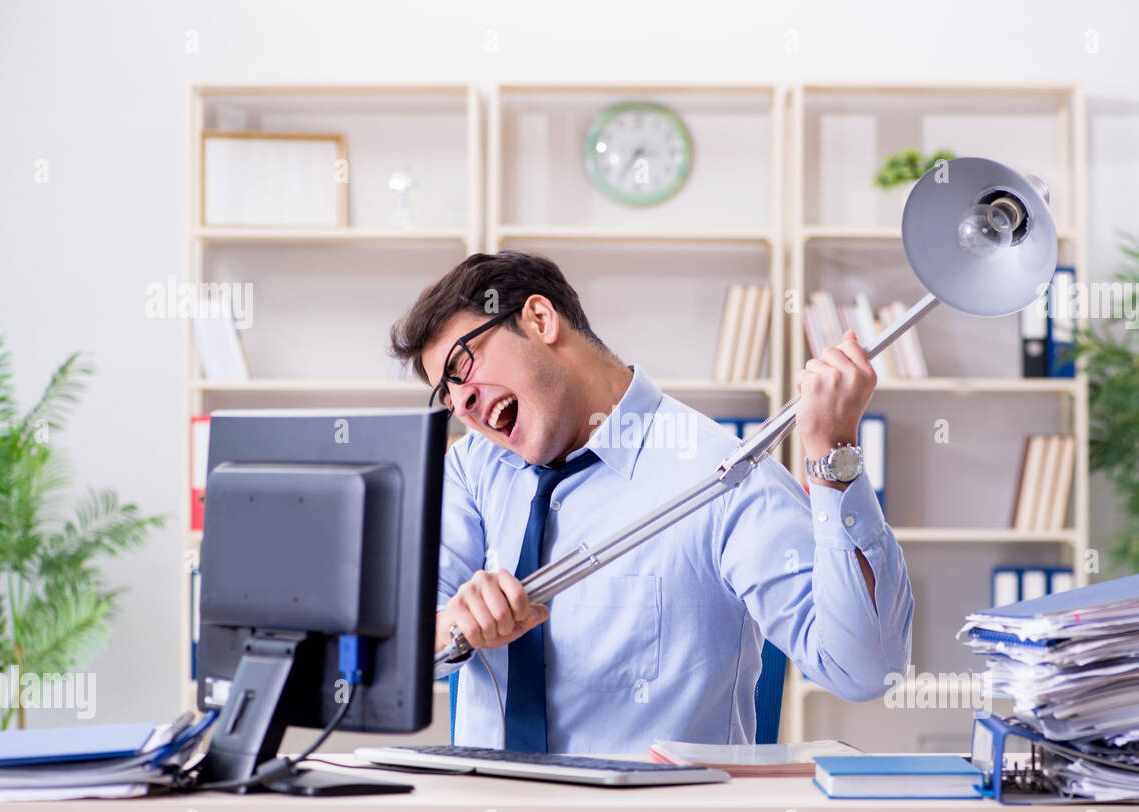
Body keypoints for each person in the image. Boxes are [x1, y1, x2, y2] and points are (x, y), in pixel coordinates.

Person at [389, 250, 913, 753]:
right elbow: (398, 653)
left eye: (463, 366)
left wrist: (833, 457)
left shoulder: (724, 476)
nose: (463, 404)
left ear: (540, 319)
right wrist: (452, 626)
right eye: (447, 395)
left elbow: (864, 669)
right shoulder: (473, 470)